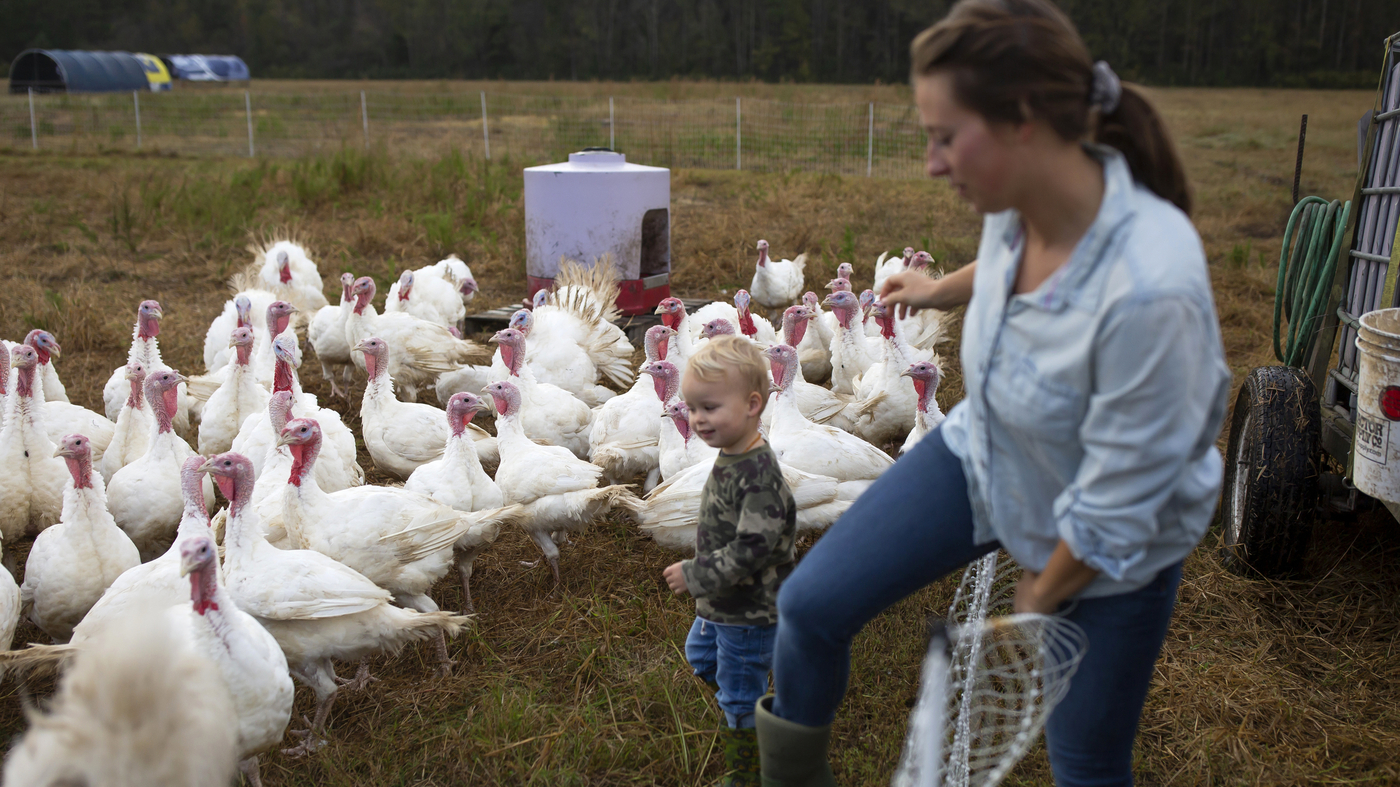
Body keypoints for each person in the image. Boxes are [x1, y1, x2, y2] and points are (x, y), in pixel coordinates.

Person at [753, 1, 1232, 786]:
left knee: (1085, 762)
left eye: (946, 137)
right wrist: (938, 289)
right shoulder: (1025, 194)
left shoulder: (1152, 290)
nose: (934, 163)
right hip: (989, 449)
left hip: (1108, 540)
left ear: (1021, 122)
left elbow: (1122, 499)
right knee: (809, 609)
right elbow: (1011, 262)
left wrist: (1042, 591)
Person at [662, 335, 798, 787]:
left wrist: (697, 574)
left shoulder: (759, 475)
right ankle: (757, 700)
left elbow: (752, 549)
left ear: (753, 404)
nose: (698, 419)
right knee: (700, 655)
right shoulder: (731, 456)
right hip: (722, 602)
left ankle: (750, 771)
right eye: (694, 407)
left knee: (737, 699)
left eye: (710, 408)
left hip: (749, 609)